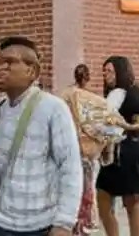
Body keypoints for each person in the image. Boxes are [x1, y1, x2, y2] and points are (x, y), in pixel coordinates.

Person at [0, 36, 82, 236]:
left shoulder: (53, 108)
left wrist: (64, 223)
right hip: (1, 222)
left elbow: (70, 167)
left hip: (39, 225)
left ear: (32, 71)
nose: (1, 68)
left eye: (10, 62)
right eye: (0, 62)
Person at [96, 56, 139, 236]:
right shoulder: (114, 94)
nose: (106, 74)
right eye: (104, 71)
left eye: (110, 71)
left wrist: (123, 126)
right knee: (104, 198)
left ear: (121, 72)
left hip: (130, 153)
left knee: (131, 202)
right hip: (115, 154)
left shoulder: (132, 93)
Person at [59, 64, 99, 235]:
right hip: (88, 147)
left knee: (76, 187)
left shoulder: (65, 94)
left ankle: (78, 221)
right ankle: (90, 220)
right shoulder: (91, 97)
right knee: (90, 186)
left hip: (72, 146)